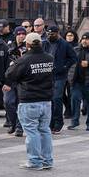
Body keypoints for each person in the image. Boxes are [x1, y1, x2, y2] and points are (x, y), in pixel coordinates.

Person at [6, 33, 55, 170]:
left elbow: (10, 74)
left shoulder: (24, 60)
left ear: (27, 44)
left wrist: (15, 62)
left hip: (29, 99)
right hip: (46, 100)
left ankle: (35, 161)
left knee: (32, 131)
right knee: (45, 130)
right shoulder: (49, 58)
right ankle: (47, 160)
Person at [44, 26, 77, 133]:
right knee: (49, 100)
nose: (50, 36)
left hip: (60, 75)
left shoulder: (64, 44)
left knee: (57, 98)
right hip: (47, 75)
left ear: (57, 33)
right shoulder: (44, 43)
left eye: (52, 34)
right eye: (48, 34)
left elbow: (73, 58)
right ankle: (50, 123)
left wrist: (65, 66)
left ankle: (58, 122)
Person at [2, 26, 28, 134]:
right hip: (10, 80)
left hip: (23, 81)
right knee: (8, 102)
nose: (21, 36)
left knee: (20, 104)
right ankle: (12, 122)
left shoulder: (28, 47)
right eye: (19, 34)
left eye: (23, 34)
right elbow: (3, 64)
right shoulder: (9, 46)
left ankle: (19, 127)